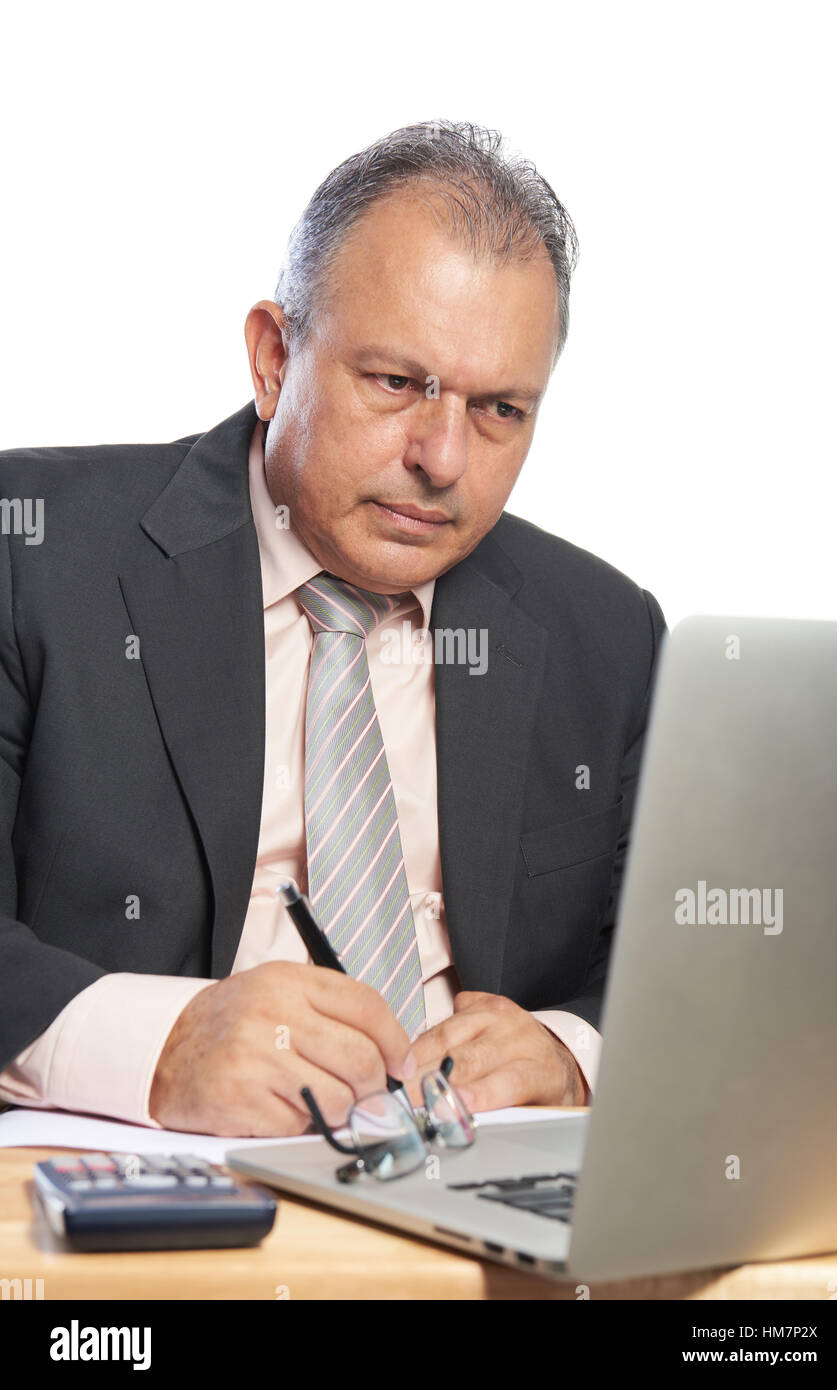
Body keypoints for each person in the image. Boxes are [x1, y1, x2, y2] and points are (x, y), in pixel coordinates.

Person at [0, 121, 665, 1136]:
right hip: (153, 1192)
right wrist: (156, 1043)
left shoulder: (605, 632)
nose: (443, 457)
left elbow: (698, 965)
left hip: (480, 1201)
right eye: (398, 383)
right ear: (274, 357)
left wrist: (574, 1054)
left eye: (500, 410)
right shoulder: (33, 555)